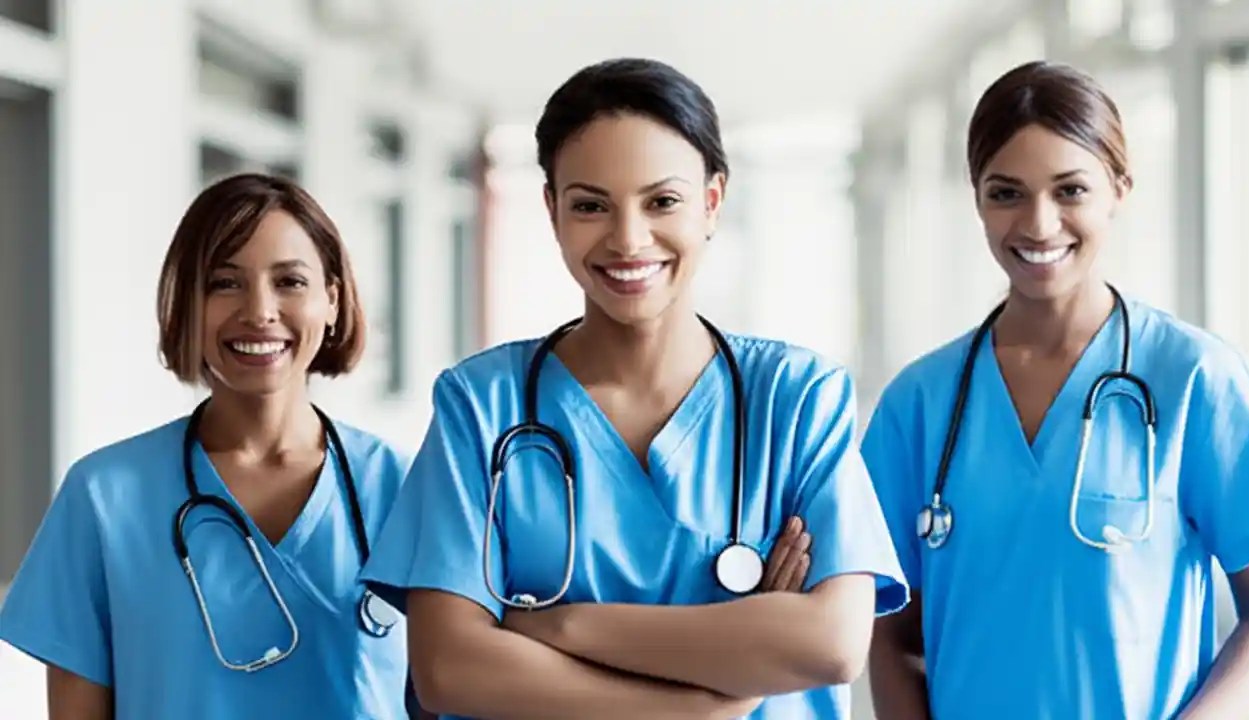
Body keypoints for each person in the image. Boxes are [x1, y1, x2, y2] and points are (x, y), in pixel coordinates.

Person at [359, 57, 908, 720]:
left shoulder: (795, 399)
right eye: (591, 205)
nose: (627, 239)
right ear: (553, 211)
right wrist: (702, 705)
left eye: (662, 201)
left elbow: (830, 644)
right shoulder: (482, 405)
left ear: (711, 202)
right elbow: (450, 669)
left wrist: (561, 625)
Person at [863, 60, 1249, 719]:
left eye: (1071, 190)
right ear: (977, 199)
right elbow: (888, 636)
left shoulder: (1194, 379)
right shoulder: (918, 405)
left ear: (1119, 189)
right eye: (1006, 193)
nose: (1038, 223)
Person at [0, 173, 414, 719]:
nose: (259, 311)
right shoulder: (105, 497)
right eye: (224, 283)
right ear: (186, 304)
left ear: (332, 301)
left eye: (289, 281)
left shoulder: (402, 489)